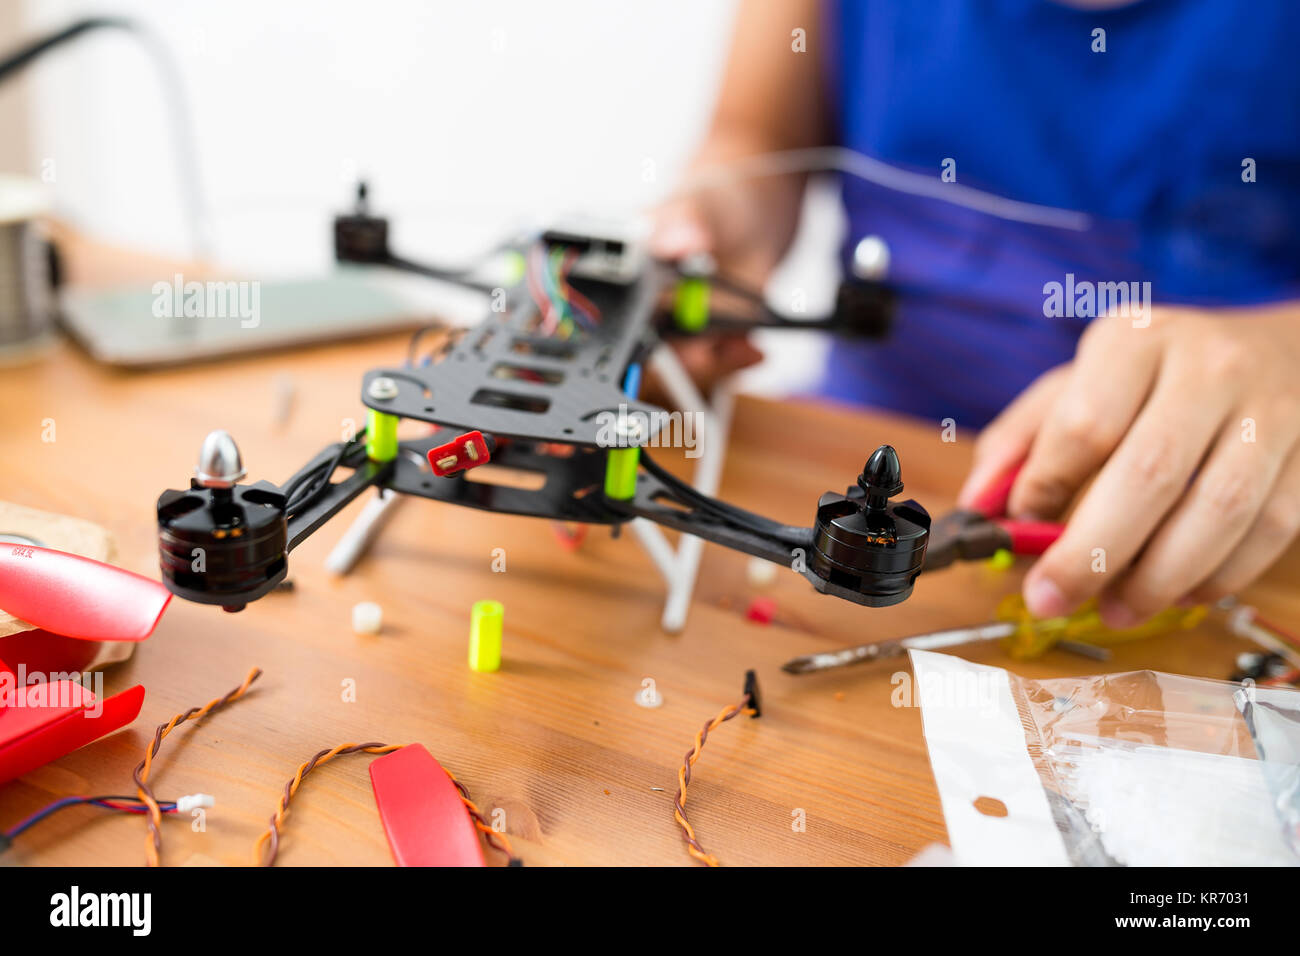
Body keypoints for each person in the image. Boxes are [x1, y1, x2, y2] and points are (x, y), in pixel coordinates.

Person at [652, 0, 1300, 627]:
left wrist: (1283, 354)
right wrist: (715, 226)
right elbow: (760, 136)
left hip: (1225, 529)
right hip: (831, 438)